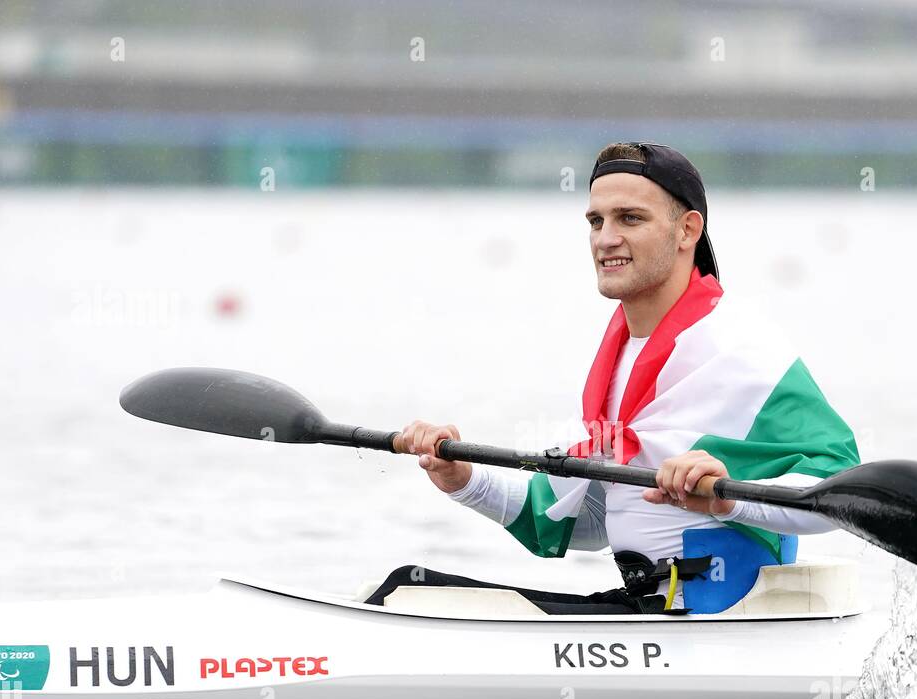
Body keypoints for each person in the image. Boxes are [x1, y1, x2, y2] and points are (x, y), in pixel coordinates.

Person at [365, 141, 859, 614]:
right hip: (649, 615)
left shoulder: (744, 353)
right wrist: (462, 478)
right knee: (407, 588)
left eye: (630, 218)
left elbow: (841, 494)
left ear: (687, 230)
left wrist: (724, 496)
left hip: (725, 625)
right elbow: (589, 520)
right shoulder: (618, 361)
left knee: (400, 596)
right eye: (596, 221)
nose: (605, 238)